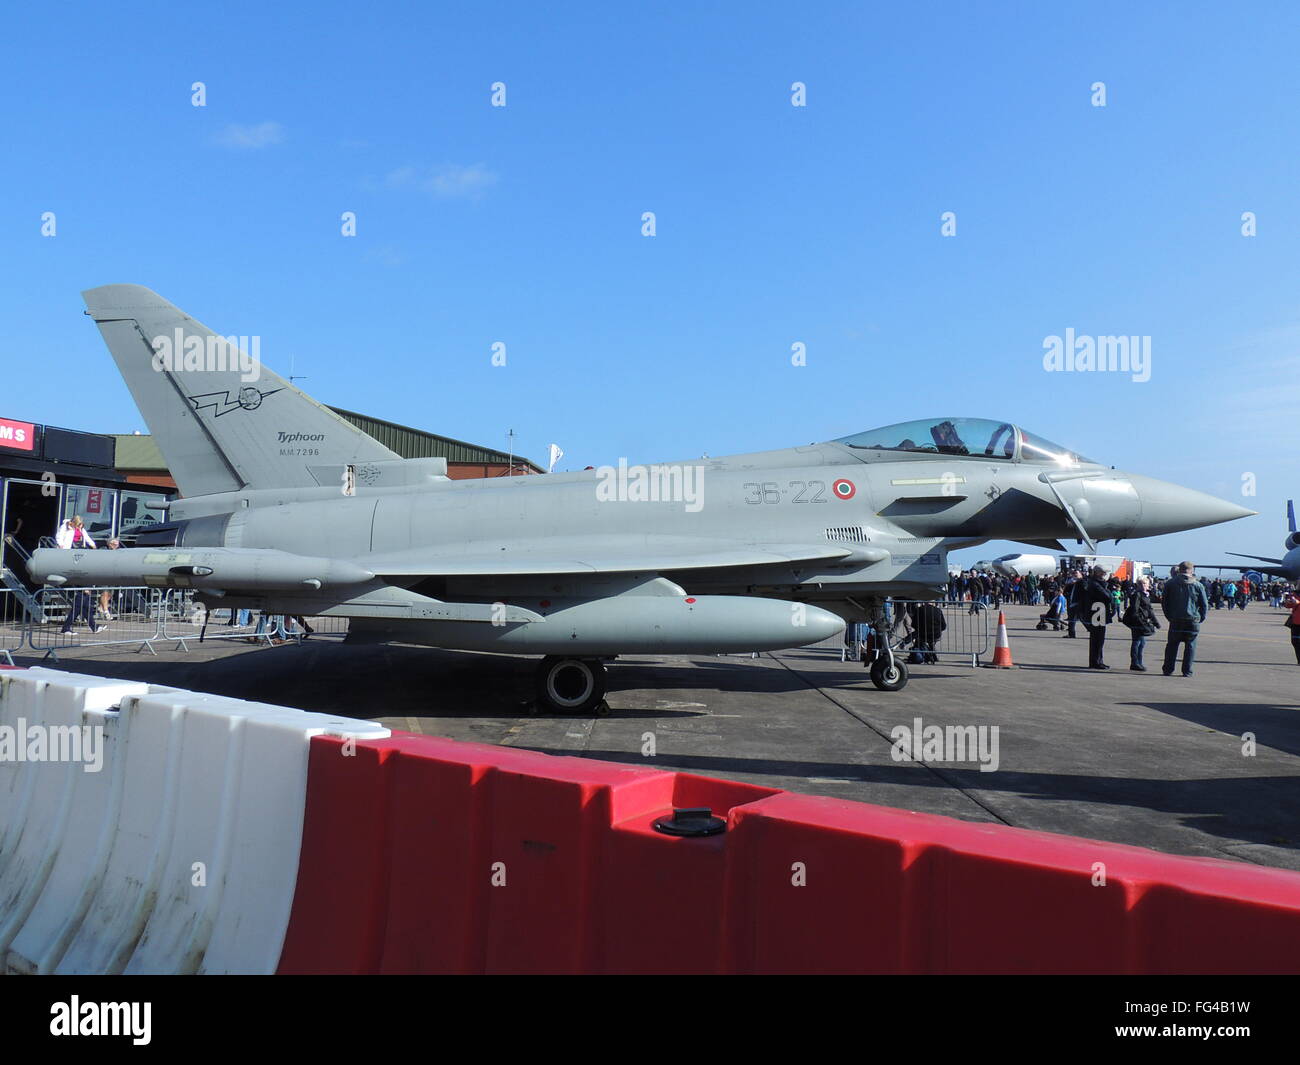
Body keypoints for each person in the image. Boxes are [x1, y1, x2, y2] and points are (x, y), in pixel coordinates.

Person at [1161, 561, 1209, 676]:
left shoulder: (1170, 583)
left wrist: (1169, 616)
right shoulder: (1198, 585)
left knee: (1172, 645)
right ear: (1192, 570)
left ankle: (1168, 669)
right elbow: (1204, 605)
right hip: (1192, 620)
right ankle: (1187, 671)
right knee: (1190, 646)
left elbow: (1165, 603)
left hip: (1176, 620)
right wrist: (1200, 618)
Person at [1078, 566, 1115, 669]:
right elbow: (1107, 597)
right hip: (1097, 613)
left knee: (1099, 639)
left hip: (1099, 612)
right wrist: (1108, 592)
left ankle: (1098, 660)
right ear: (1098, 573)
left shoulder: (1096, 583)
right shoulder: (1095, 584)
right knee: (1097, 639)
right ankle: (1096, 661)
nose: (1104, 575)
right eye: (1103, 573)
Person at [1122, 577, 1160, 671]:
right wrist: (1139, 621)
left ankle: (1139, 662)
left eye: (1145, 584)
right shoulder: (1137, 595)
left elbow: (1149, 610)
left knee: (1141, 643)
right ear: (1138, 585)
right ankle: (1135, 663)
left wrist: (1156, 622)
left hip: (1143, 621)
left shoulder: (1145, 595)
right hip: (1138, 623)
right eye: (1141, 584)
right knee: (1137, 642)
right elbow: (1135, 610)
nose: (1143, 586)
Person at [1283, 591, 1300, 666]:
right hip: (1296, 621)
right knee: (1295, 641)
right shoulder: (1295, 594)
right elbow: (1287, 605)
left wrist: (1298, 602)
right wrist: (1288, 602)